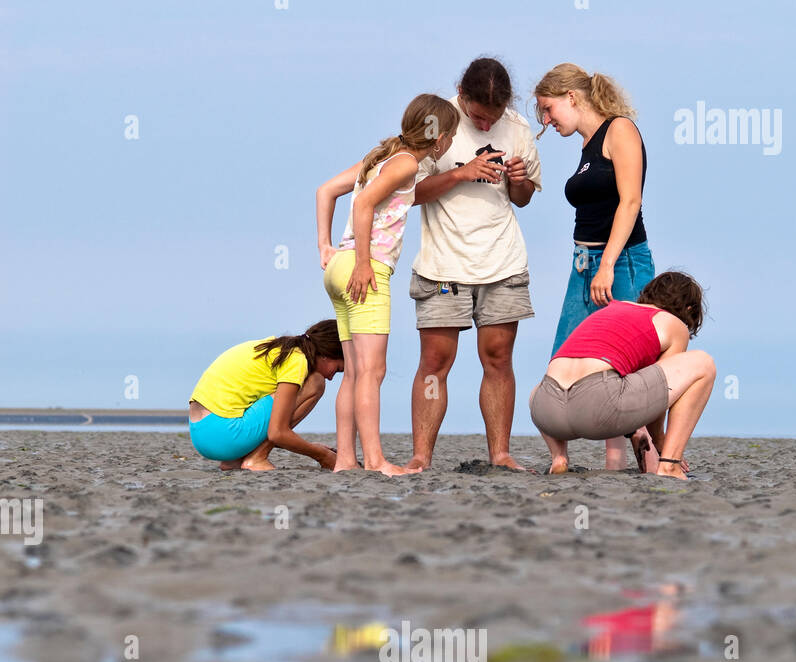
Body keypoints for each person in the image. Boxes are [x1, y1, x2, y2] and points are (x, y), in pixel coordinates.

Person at [407, 57, 542, 472]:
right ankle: (421, 456)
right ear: (461, 95)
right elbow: (409, 192)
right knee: (435, 363)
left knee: (498, 359)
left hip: (503, 261)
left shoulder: (517, 127)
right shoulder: (436, 121)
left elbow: (523, 198)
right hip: (443, 264)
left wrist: (519, 180)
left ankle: (501, 454)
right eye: (479, 117)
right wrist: (460, 173)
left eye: (493, 119)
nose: (486, 126)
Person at [317, 95, 459, 476]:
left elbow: (325, 190)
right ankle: (376, 461)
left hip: (339, 267)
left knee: (354, 372)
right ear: (440, 139)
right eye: (451, 136)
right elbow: (363, 204)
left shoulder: (380, 158)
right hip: (365, 268)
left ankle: (346, 460)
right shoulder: (407, 163)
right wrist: (364, 262)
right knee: (372, 372)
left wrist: (325, 247)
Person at [534, 63, 656, 470]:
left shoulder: (620, 129)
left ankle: (647, 462)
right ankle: (562, 459)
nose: (546, 120)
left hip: (621, 262)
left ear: (572, 97)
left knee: (630, 369)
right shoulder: (587, 145)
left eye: (548, 109)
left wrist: (607, 266)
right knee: (561, 366)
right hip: (582, 266)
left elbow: (631, 201)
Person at [529, 270, 715, 480]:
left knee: (542, 387)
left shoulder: (613, 308)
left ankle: (559, 457)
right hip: (595, 407)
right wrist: (660, 443)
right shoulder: (674, 324)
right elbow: (662, 395)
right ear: (689, 309)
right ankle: (670, 465)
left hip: (545, 409)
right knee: (704, 364)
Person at [188, 322, 344, 472]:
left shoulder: (278, 348)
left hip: (200, 435)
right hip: (225, 435)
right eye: (337, 369)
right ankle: (257, 458)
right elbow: (277, 433)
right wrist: (323, 455)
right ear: (326, 355)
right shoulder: (296, 361)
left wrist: (309, 446)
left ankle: (235, 460)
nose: (331, 378)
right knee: (316, 382)